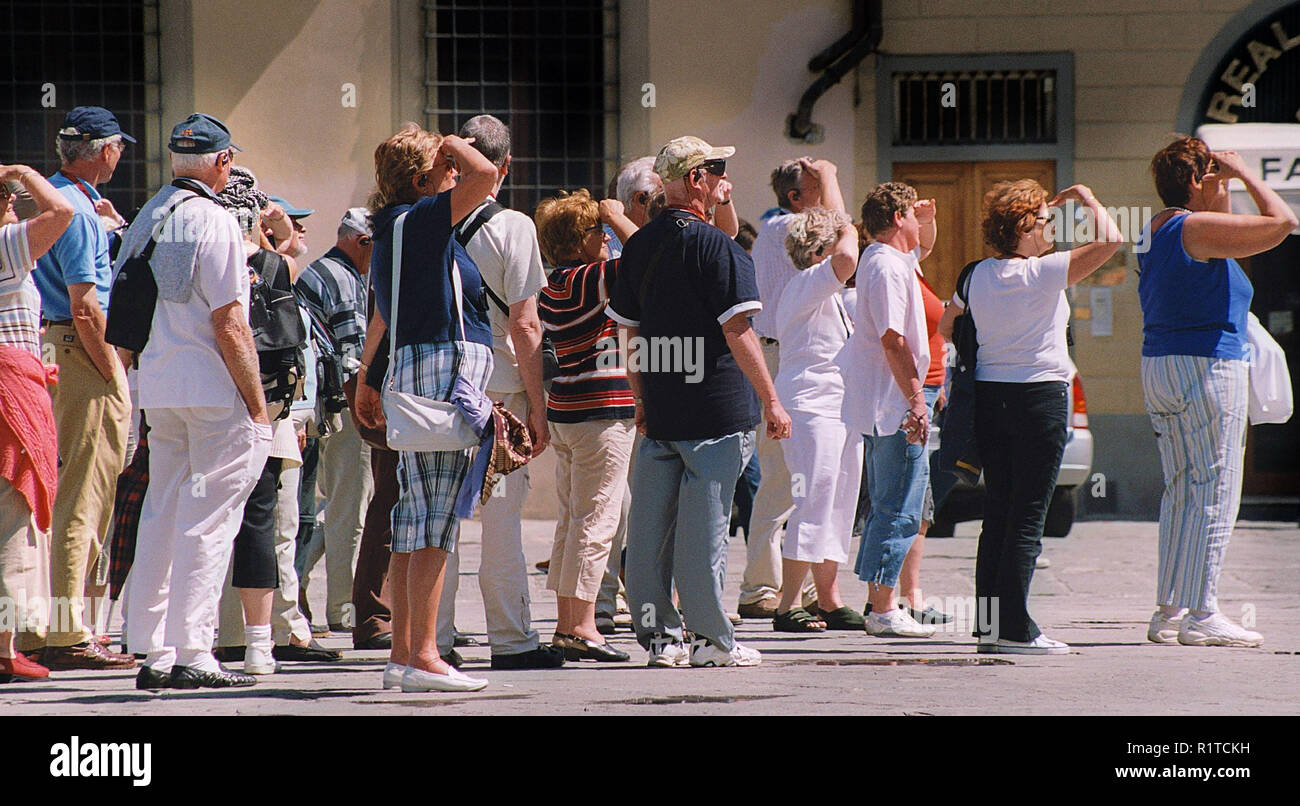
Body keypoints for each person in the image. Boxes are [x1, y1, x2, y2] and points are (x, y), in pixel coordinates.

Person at [608, 135, 791, 668]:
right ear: (695, 180)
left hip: (662, 409)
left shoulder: (639, 245)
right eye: (715, 171)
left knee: (647, 538)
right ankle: (711, 640)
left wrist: (641, 400)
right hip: (714, 409)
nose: (720, 180)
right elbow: (739, 330)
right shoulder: (717, 246)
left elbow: (630, 335)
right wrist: (773, 401)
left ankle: (660, 640)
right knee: (703, 535)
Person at [938, 179, 1121, 654]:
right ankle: (1016, 629)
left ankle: (989, 628)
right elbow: (1113, 241)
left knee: (998, 513)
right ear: (1021, 226)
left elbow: (945, 323)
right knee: (1027, 517)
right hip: (1038, 400)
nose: (1050, 227)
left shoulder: (973, 274)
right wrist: (1087, 198)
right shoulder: (1043, 273)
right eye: (1042, 219)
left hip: (990, 398)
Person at [123, 113, 274, 689]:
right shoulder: (212, 219)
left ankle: (155, 653)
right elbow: (230, 321)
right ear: (223, 162)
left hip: (160, 388)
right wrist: (256, 405)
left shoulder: (148, 214)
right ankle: (194, 652)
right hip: (211, 390)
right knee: (208, 520)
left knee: (163, 512)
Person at [1138, 138, 1295, 647]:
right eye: (1211, 176)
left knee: (1183, 490)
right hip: (1205, 366)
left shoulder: (1157, 230)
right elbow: (1283, 223)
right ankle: (1203, 613)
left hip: (1161, 365)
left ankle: (1170, 608)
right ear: (1192, 182)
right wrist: (1247, 174)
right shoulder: (1195, 229)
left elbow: (1221, 225)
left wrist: (1219, 184)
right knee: (1217, 489)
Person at [361, 123, 499, 692]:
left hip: (415, 368)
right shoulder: (421, 219)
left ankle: (403, 654)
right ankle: (423, 654)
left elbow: (389, 316)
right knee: (435, 517)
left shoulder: (393, 227)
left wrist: (369, 379)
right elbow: (488, 174)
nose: (455, 176)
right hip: (444, 370)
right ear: (424, 178)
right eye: (445, 170)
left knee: (413, 514)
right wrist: (452, 141)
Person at [434, 114, 561, 671]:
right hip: (500, 388)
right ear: (504, 167)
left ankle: (432, 639)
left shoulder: (423, 219)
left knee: (437, 517)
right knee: (501, 519)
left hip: (436, 382)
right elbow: (527, 325)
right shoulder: (514, 227)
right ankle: (510, 638)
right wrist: (538, 406)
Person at [30, 107, 136, 670]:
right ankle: (70, 633)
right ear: (102, 150)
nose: (121, 155)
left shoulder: (43, 202)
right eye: (118, 146)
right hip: (77, 352)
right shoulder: (80, 214)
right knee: (84, 494)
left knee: (41, 495)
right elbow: (87, 307)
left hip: (41, 350)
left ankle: (33, 629)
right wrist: (112, 373)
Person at [535, 189, 637, 662]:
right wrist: (618, 218)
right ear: (580, 240)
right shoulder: (592, 279)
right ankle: (580, 626)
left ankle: (565, 622)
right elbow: (646, 256)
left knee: (572, 521)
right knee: (597, 522)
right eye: (597, 232)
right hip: (602, 413)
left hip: (566, 410)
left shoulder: (552, 284)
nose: (606, 238)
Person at [842, 182, 938, 640]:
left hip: (891, 401)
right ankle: (882, 606)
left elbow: (924, 243)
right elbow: (892, 338)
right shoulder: (883, 265)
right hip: (893, 404)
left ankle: (881, 601)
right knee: (898, 505)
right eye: (914, 216)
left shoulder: (893, 261)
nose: (920, 224)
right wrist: (917, 399)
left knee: (896, 502)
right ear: (898, 218)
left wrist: (929, 218)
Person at [739, 157, 831, 620]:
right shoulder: (787, 228)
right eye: (814, 187)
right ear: (796, 197)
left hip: (782, 354)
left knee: (797, 480)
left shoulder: (775, 229)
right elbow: (842, 237)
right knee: (783, 479)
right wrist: (829, 176)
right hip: (784, 358)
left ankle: (794, 585)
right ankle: (762, 587)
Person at [770, 198, 864, 633]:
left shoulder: (833, 293)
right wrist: (847, 224)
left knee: (839, 504)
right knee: (813, 501)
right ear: (816, 252)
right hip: (811, 406)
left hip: (839, 407)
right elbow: (846, 257)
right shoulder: (807, 281)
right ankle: (787, 604)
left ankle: (828, 598)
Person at [0, 164, 75, 680]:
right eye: (6, 195)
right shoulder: (5, 245)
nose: (13, 201)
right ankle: (4, 648)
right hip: (9, 393)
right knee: (14, 516)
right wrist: (26, 172)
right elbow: (62, 212)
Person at [295, 207, 380, 645]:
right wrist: (366, 411)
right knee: (353, 507)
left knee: (334, 505)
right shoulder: (345, 282)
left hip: (322, 406)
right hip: (345, 406)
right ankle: (344, 608)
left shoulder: (320, 270)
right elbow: (352, 360)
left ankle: (300, 577)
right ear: (362, 242)